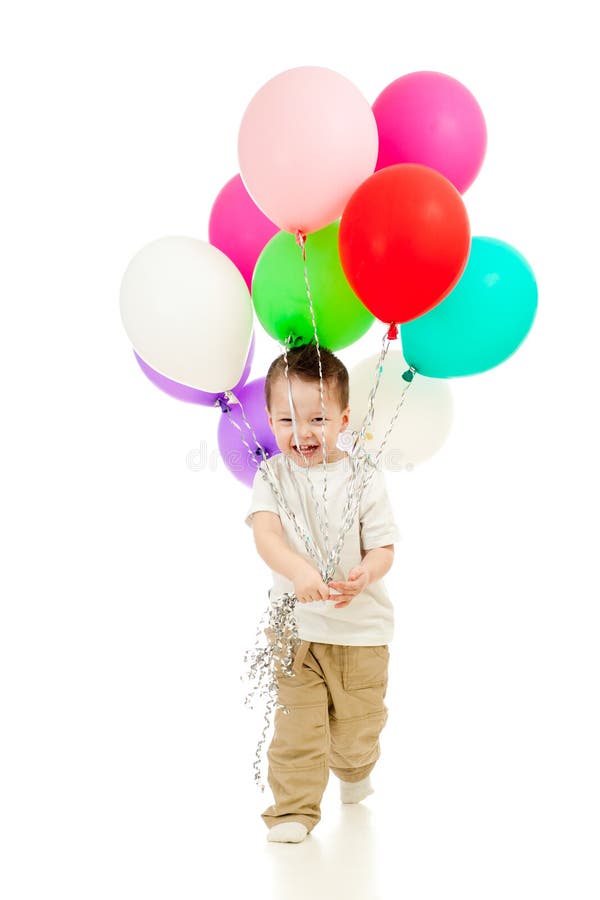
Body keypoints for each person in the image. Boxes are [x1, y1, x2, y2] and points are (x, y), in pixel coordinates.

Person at [245, 343, 400, 843]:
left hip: (360, 631)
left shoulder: (363, 475)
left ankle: (355, 770)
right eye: (287, 420)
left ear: (344, 419)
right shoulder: (271, 475)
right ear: (269, 420)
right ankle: (292, 808)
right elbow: (266, 535)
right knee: (296, 727)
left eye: (317, 418)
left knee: (357, 728)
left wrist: (365, 575)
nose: (303, 433)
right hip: (296, 628)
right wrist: (297, 571)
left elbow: (382, 546)